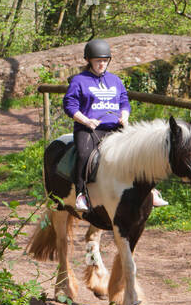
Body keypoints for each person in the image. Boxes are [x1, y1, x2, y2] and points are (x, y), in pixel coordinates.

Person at [62, 38, 169, 212]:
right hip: (89, 129)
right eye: (98, 61)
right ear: (89, 60)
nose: (101, 64)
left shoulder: (115, 80)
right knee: (84, 154)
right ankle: (81, 193)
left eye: (105, 61)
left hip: (115, 127)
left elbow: (124, 102)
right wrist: (86, 120)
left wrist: (124, 116)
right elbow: (70, 105)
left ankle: (151, 191)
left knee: (139, 152)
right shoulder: (79, 80)